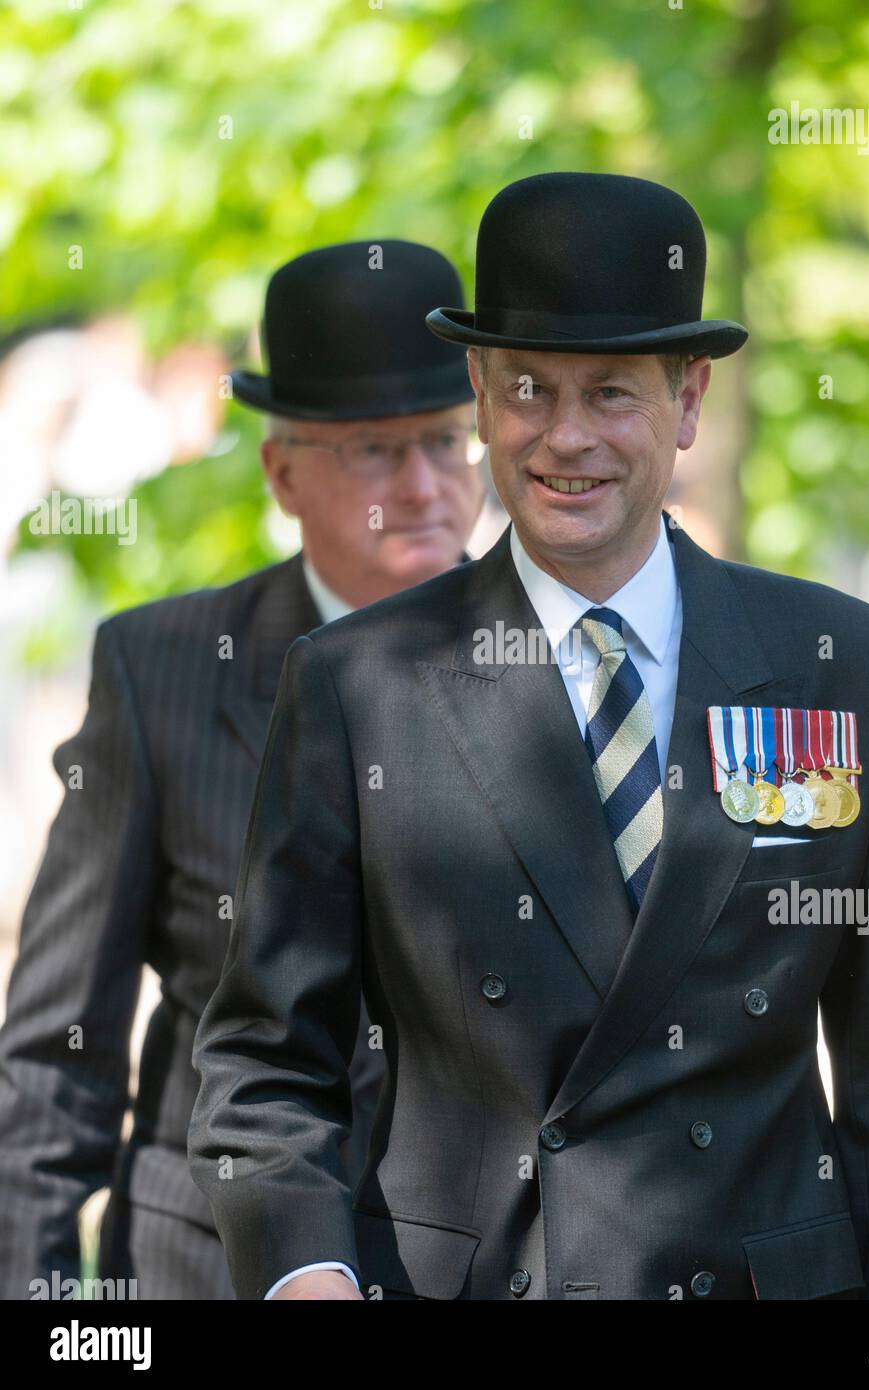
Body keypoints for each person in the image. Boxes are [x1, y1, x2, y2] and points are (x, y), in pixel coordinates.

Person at [189, 173, 869, 1301]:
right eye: (527, 388)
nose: (565, 437)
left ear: (690, 400)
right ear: (478, 389)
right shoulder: (357, 683)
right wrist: (304, 1272)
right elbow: (267, 1060)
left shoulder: (849, 667)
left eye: (611, 392)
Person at [0, 239, 483, 1299]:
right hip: (203, 1269)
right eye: (372, 451)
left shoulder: (545, 664)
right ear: (281, 471)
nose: (422, 487)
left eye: (448, 441)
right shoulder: (160, 671)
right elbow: (53, 1050)